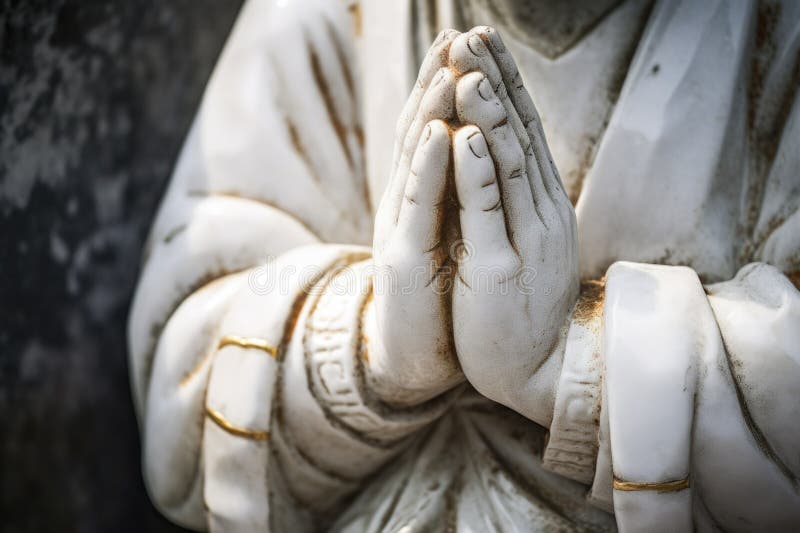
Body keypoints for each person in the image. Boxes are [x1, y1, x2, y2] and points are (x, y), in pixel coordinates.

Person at [129, 1, 800, 530]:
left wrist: (573, 360)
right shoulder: (325, 13)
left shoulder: (772, 32)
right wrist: (371, 346)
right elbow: (181, 378)